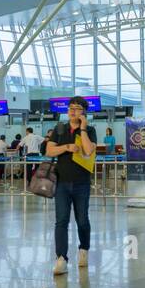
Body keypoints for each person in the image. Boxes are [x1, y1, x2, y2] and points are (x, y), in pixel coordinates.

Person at [47, 96, 97, 275]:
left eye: (76, 108)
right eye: (70, 108)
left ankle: (84, 248)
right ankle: (61, 258)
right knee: (61, 221)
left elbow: (89, 149)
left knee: (82, 220)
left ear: (84, 112)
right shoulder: (59, 129)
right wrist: (66, 147)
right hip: (61, 182)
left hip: (81, 182)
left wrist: (82, 128)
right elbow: (49, 150)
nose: (72, 111)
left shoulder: (90, 130)